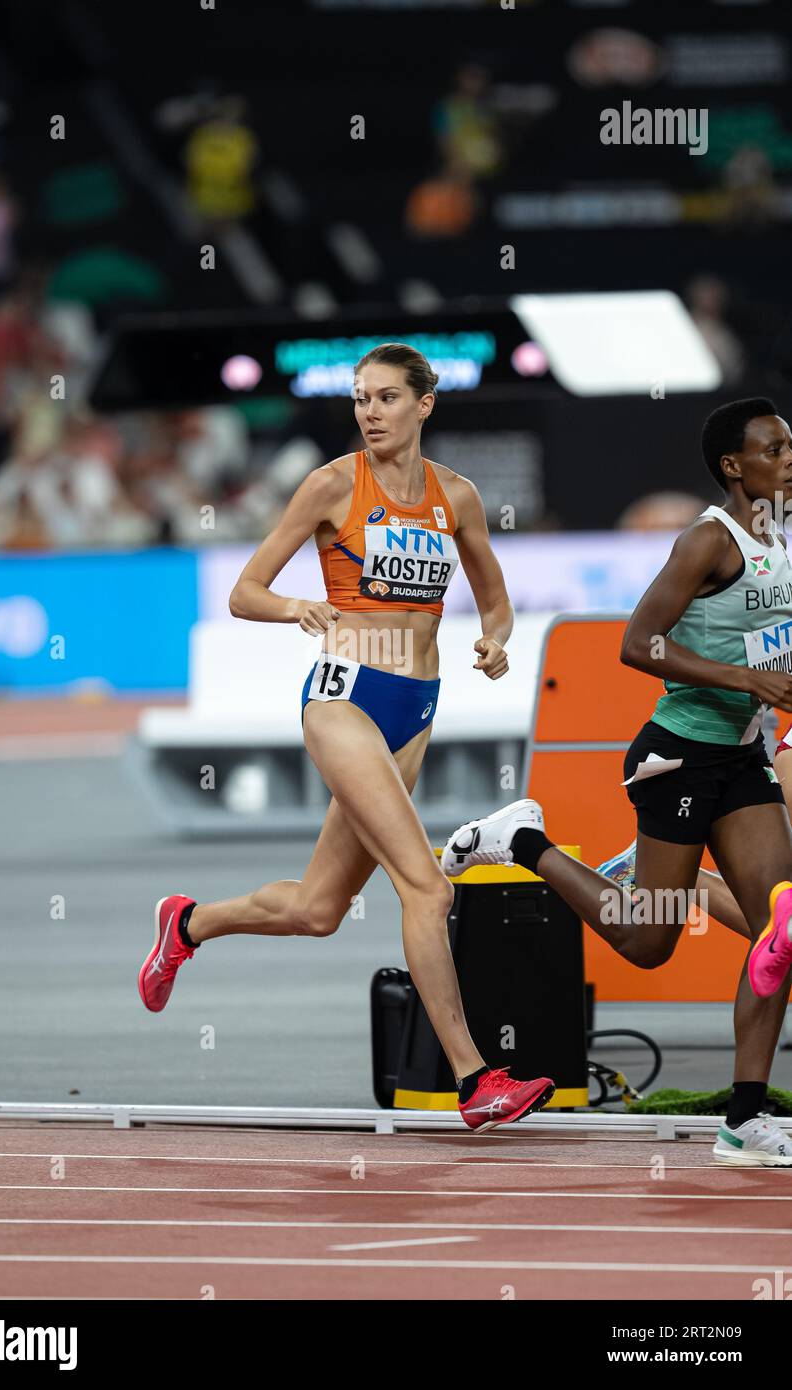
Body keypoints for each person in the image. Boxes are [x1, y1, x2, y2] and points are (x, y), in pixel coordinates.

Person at [138, 341, 554, 1131]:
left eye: (387, 398)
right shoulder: (332, 484)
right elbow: (243, 591)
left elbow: (495, 599)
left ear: (424, 405)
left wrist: (496, 638)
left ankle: (186, 924)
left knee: (318, 909)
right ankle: (476, 1082)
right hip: (344, 700)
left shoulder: (456, 496)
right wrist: (297, 608)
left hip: (416, 709)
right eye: (361, 398)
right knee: (427, 888)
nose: (370, 412)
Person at [442, 397, 792, 1165]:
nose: (790, 458)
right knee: (645, 942)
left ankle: (744, 1120)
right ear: (736, 467)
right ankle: (521, 840)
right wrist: (745, 678)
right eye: (775, 449)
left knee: (783, 928)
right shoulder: (709, 541)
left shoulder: (781, 539)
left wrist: (765, 683)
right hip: (677, 758)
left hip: (740, 757)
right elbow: (638, 644)